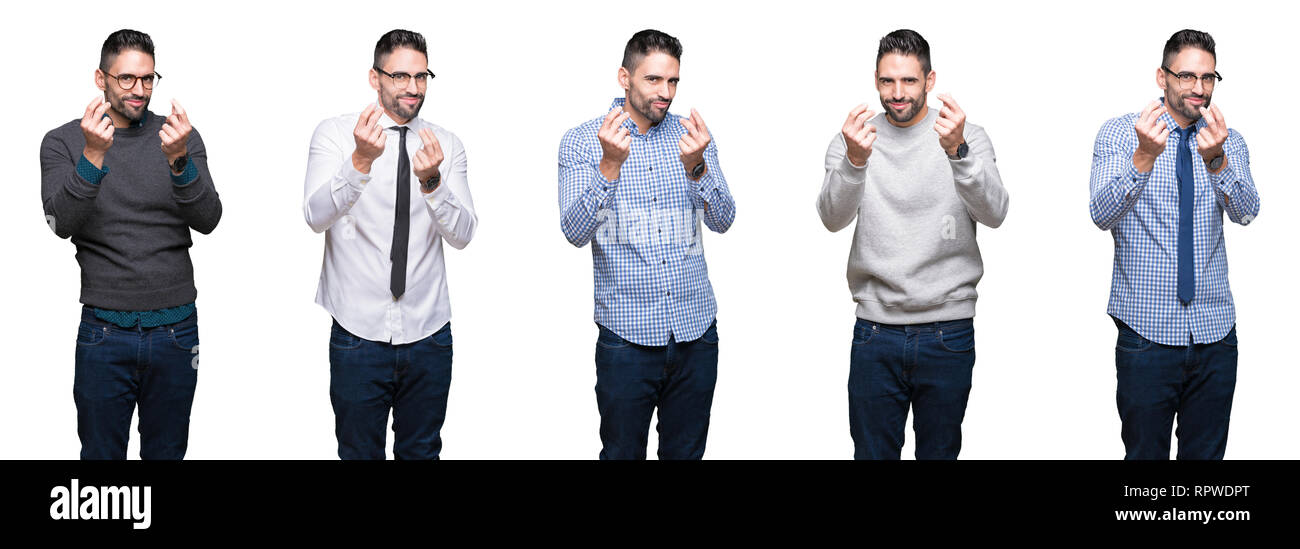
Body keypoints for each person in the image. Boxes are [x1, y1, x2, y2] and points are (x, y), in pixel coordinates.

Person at [817, 29, 1009, 460]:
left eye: (908, 81)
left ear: (930, 80)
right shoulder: (854, 140)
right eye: (887, 81)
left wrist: (958, 151)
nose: (897, 93)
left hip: (948, 331)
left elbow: (995, 213)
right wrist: (854, 162)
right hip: (874, 332)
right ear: (875, 81)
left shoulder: (966, 136)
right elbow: (831, 219)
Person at [40, 29, 222, 459]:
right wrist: (94, 156)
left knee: (168, 452)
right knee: (101, 457)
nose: (139, 91)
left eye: (147, 79)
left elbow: (209, 220)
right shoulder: (64, 142)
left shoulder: (179, 136)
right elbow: (59, 221)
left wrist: (179, 161)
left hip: (177, 331)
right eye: (126, 79)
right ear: (101, 79)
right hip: (104, 332)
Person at [558, 29, 736, 460]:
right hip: (627, 341)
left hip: (696, 333)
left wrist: (697, 167)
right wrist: (609, 165)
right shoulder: (583, 142)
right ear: (625, 77)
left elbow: (724, 220)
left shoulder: (691, 136)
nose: (666, 93)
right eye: (653, 80)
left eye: (673, 81)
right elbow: (575, 231)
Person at [304, 29, 476, 460]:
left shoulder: (446, 145)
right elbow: (315, 216)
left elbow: (463, 235)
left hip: (429, 334)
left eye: (421, 76)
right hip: (357, 333)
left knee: (422, 453)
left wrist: (433, 183)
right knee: (358, 454)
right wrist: (360, 161)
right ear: (374, 77)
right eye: (400, 76)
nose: (413, 88)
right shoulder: (336, 135)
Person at [1089, 29, 1260, 460]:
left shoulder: (1227, 139)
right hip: (1146, 333)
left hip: (1215, 333)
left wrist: (1217, 160)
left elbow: (1246, 212)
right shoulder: (1121, 135)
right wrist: (1143, 158)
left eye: (1208, 78)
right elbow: (1100, 214)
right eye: (1186, 76)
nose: (1198, 89)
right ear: (1161, 77)